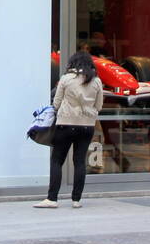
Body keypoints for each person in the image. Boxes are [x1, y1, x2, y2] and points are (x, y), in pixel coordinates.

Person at [36, 51, 105, 208]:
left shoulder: (66, 79)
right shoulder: (96, 82)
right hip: (87, 126)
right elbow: (99, 106)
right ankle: (76, 200)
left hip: (65, 124)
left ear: (73, 64)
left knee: (57, 161)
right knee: (79, 162)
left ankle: (52, 199)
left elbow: (56, 102)